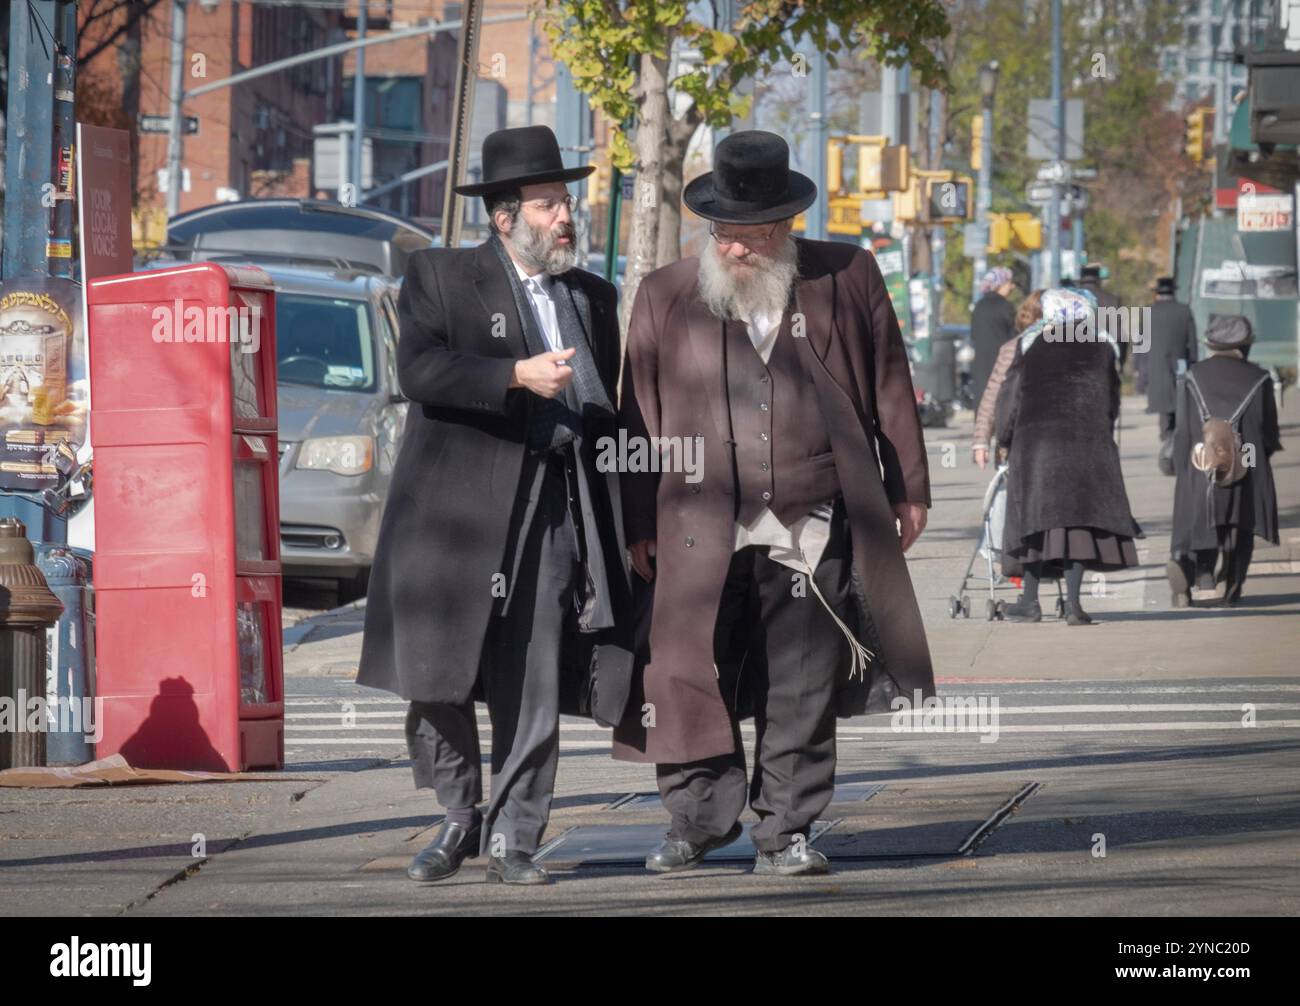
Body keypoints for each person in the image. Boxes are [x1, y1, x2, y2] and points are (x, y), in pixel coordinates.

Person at [615, 130, 935, 876]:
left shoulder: (847, 275)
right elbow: (639, 416)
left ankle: (786, 828)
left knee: (803, 681)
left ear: (785, 227)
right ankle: (696, 820)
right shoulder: (665, 294)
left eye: (751, 235)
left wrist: (909, 488)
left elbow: (892, 382)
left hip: (811, 513)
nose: (733, 249)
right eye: (723, 233)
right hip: (695, 522)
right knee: (689, 671)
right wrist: (637, 519)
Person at [357, 125, 634, 886]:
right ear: (505, 216)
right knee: (436, 676)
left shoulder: (593, 298)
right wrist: (514, 373)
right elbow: (420, 371)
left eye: (567, 200)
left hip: (552, 510)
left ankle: (516, 836)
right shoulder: (441, 276)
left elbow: (613, 412)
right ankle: (457, 816)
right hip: (452, 516)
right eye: (548, 204)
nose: (565, 216)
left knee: (534, 673)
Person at [995, 288, 1143, 624]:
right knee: (1078, 521)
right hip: (1087, 445)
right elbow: (1112, 401)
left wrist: (1003, 438)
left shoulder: (1031, 344)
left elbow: (1011, 398)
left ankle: (1030, 602)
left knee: (1033, 521)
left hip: (1037, 446)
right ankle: (1074, 606)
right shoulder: (1103, 346)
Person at [1168, 314, 1281, 607]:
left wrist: (1183, 464)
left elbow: (1182, 430)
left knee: (1196, 518)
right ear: (1245, 346)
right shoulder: (1260, 378)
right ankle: (1232, 584)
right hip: (1246, 460)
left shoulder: (1192, 376)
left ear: (1211, 344)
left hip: (1200, 459)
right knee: (1240, 525)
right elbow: (1268, 433)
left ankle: (1186, 569)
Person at [972, 289, 1043, 470]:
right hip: (1017, 439)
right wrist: (981, 440)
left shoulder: (1069, 350)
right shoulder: (1013, 348)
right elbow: (992, 395)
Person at [1143, 276, 1198, 476]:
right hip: (1181, 369)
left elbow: (1141, 347)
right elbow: (1192, 346)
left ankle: (1168, 451)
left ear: (1157, 293)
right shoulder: (1184, 311)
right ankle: (1173, 451)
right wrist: (1194, 368)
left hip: (1157, 370)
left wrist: (1142, 376)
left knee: (1165, 414)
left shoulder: (1149, 312)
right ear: (1173, 292)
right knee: (1180, 411)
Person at [970, 266, 1018, 401]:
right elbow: (1014, 336)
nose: (1012, 286)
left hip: (980, 365)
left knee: (982, 402)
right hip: (1001, 365)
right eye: (1009, 282)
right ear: (999, 284)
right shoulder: (1005, 307)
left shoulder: (978, 306)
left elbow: (973, 335)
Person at [1077, 263, 1128, 371]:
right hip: (1102, 361)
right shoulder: (1112, 300)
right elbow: (1119, 336)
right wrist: (1121, 363)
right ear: (1098, 281)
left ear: (1081, 281)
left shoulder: (1069, 300)